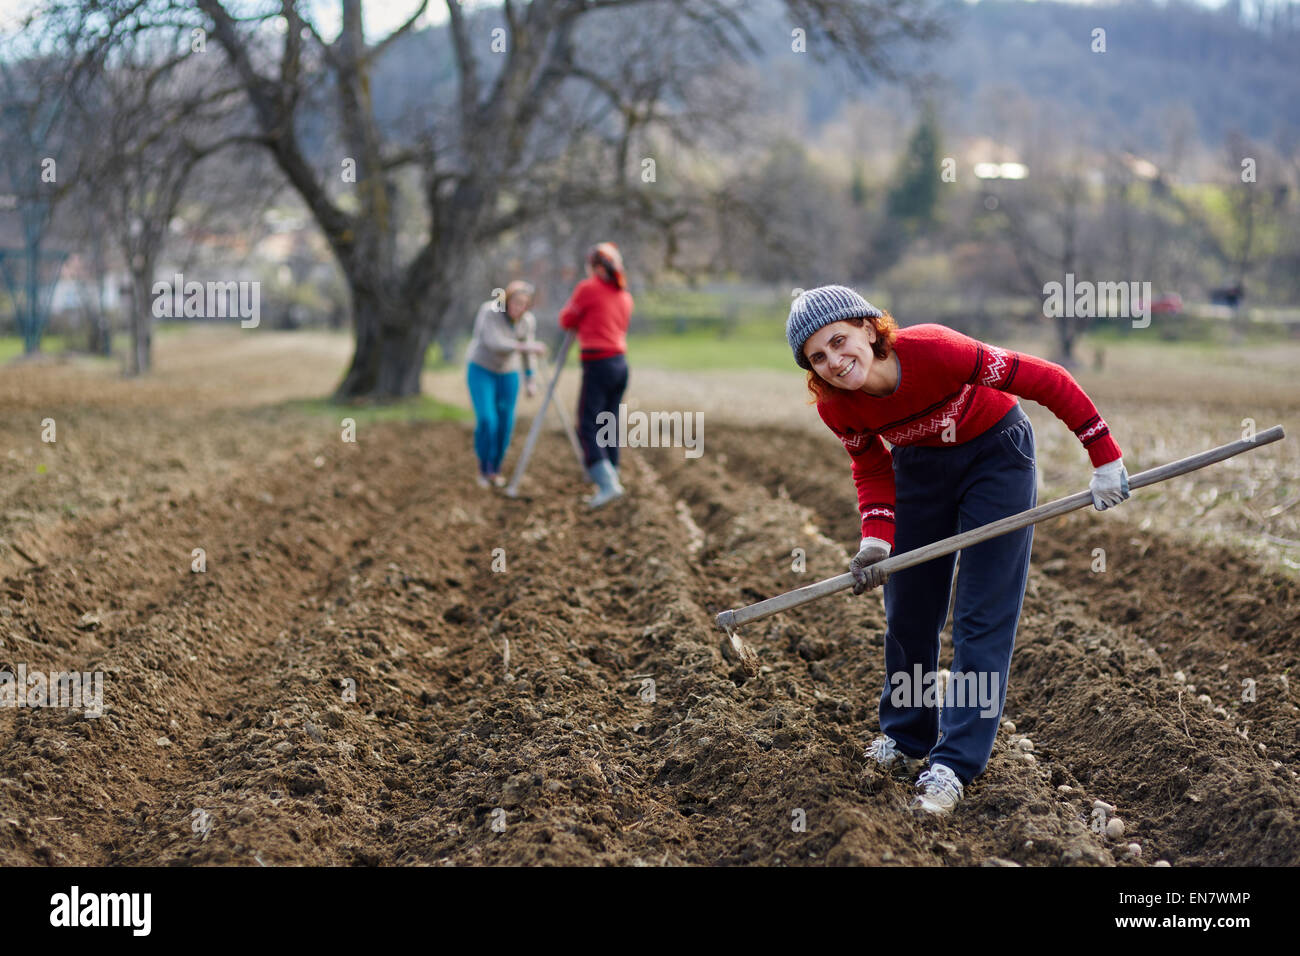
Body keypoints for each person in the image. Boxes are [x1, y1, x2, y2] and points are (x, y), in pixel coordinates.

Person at [786, 285, 1130, 817]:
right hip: (919, 468)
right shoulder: (838, 407)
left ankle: (955, 763)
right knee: (909, 612)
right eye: (818, 357)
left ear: (870, 329)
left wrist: (1103, 456)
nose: (834, 361)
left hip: (996, 455)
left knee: (982, 613)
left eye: (839, 341)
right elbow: (871, 466)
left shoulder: (936, 350)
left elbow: (1047, 379)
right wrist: (877, 540)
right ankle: (905, 739)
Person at [558, 242, 634, 508]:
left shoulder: (588, 288)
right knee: (608, 423)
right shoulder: (624, 295)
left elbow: (566, 320)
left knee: (588, 425)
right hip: (620, 364)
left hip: (598, 362)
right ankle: (612, 474)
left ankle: (606, 483)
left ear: (598, 268)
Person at [465, 280, 545, 487]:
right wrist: (526, 346)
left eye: (523, 304)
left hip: (508, 373)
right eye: (515, 302)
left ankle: (495, 469)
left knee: (505, 423)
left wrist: (530, 379)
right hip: (481, 369)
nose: (518, 308)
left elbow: (528, 356)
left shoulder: (527, 321)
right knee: (487, 420)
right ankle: (484, 468)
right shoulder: (489, 311)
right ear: (506, 299)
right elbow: (494, 343)